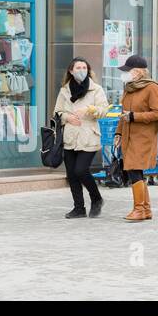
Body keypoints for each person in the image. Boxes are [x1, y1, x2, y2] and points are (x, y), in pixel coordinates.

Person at [52, 57, 109, 218]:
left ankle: (96, 198)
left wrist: (89, 109)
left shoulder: (96, 89)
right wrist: (66, 118)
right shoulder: (65, 90)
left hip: (88, 136)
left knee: (81, 170)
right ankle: (79, 208)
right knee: (71, 174)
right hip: (70, 137)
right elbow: (57, 112)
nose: (81, 70)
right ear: (71, 71)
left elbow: (104, 110)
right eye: (78, 68)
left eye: (84, 67)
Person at [118, 55, 158, 222]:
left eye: (127, 71)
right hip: (128, 135)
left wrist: (134, 116)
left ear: (137, 72)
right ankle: (144, 209)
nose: (124, 74)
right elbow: (123, 113)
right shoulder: (129, 88)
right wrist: (118, 133)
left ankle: (139, 209)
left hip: (143, 136)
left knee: (134, 169)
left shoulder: (151, 88)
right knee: (135, 170)